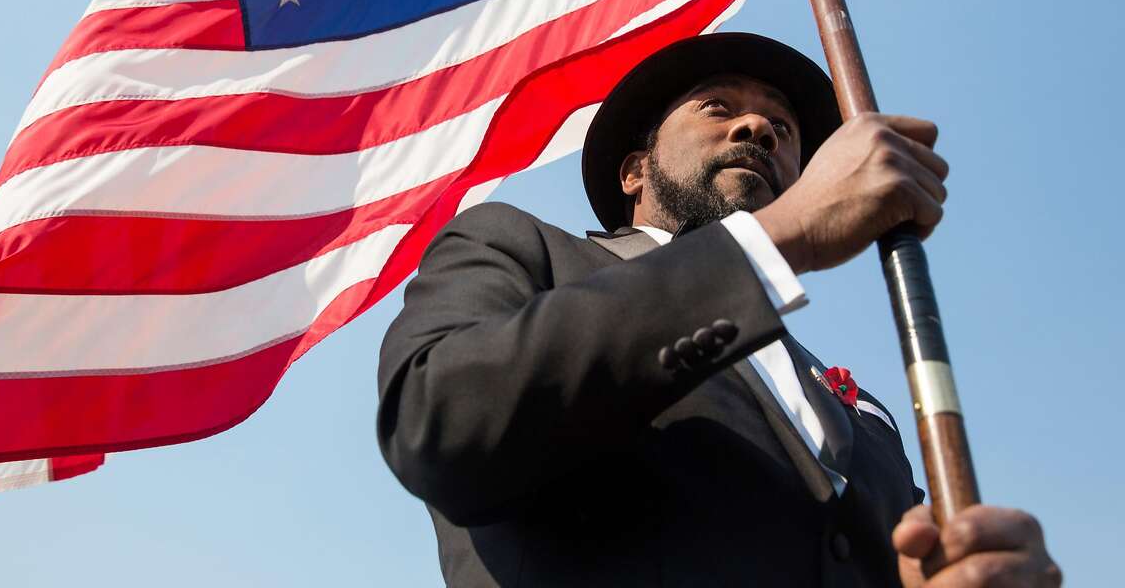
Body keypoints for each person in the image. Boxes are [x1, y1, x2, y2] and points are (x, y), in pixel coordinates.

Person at [376, 33, 1060, 586]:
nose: (760, 126)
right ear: (633, 170)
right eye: (717, 107)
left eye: (785, 128)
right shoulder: (520, 246)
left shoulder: (863, 414)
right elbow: (439, 419)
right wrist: (780, 235)